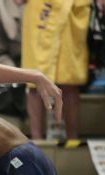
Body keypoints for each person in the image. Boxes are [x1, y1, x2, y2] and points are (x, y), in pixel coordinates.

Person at [20, 0, 90, 141]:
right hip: (40, 10)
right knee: (34, 79)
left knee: (69, 79)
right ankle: (36, 141)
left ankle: (72, 140)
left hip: (71, 7)